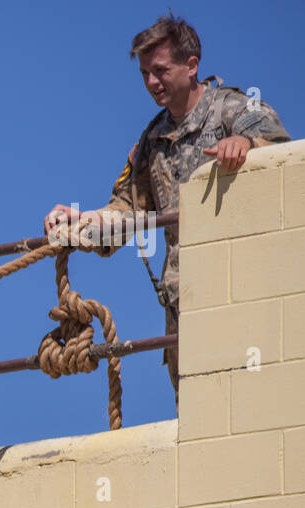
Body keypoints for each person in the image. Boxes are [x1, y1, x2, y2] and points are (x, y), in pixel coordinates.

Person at [42, 12, 290, 402]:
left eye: (160, 70)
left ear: (192, 66)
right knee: (196, 413)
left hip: (243, 291)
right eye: (144, 74)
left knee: (259, 403)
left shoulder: (235, 110)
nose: (152, 83)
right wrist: (80, 222)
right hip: (183, 305)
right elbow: (126, 210)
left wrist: (247, 146)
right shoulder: (151, 141)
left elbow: (282, 154)